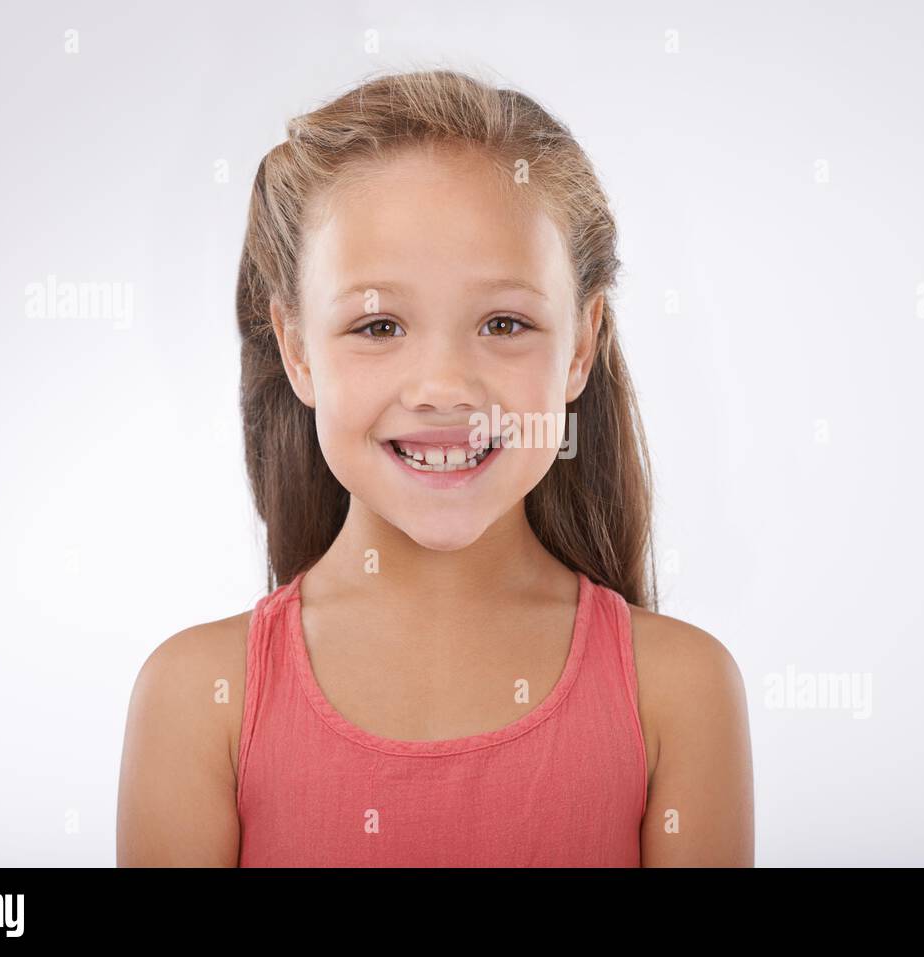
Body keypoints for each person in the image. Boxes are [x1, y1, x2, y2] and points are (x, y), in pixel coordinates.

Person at [117, 68, 753, 867]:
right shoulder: (199, 702)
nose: (444, 387)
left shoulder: (679, 693)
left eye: (504, 321)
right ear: (296, 348)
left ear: (581, 344)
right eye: (379, 325)